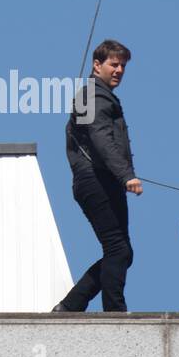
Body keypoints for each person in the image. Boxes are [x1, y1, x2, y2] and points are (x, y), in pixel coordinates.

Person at [54, 39, 142, 312]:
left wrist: (123, 176)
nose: (119, 70)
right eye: (113, 64)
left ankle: (71, 306)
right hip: (96, 180)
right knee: (118, 249)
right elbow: (101, 138)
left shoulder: (97, 96)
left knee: (120, 251)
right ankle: (114, 313)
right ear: (97, 65)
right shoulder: (92, 96)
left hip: (103, 181)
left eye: (123, 66)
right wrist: (126, 175)